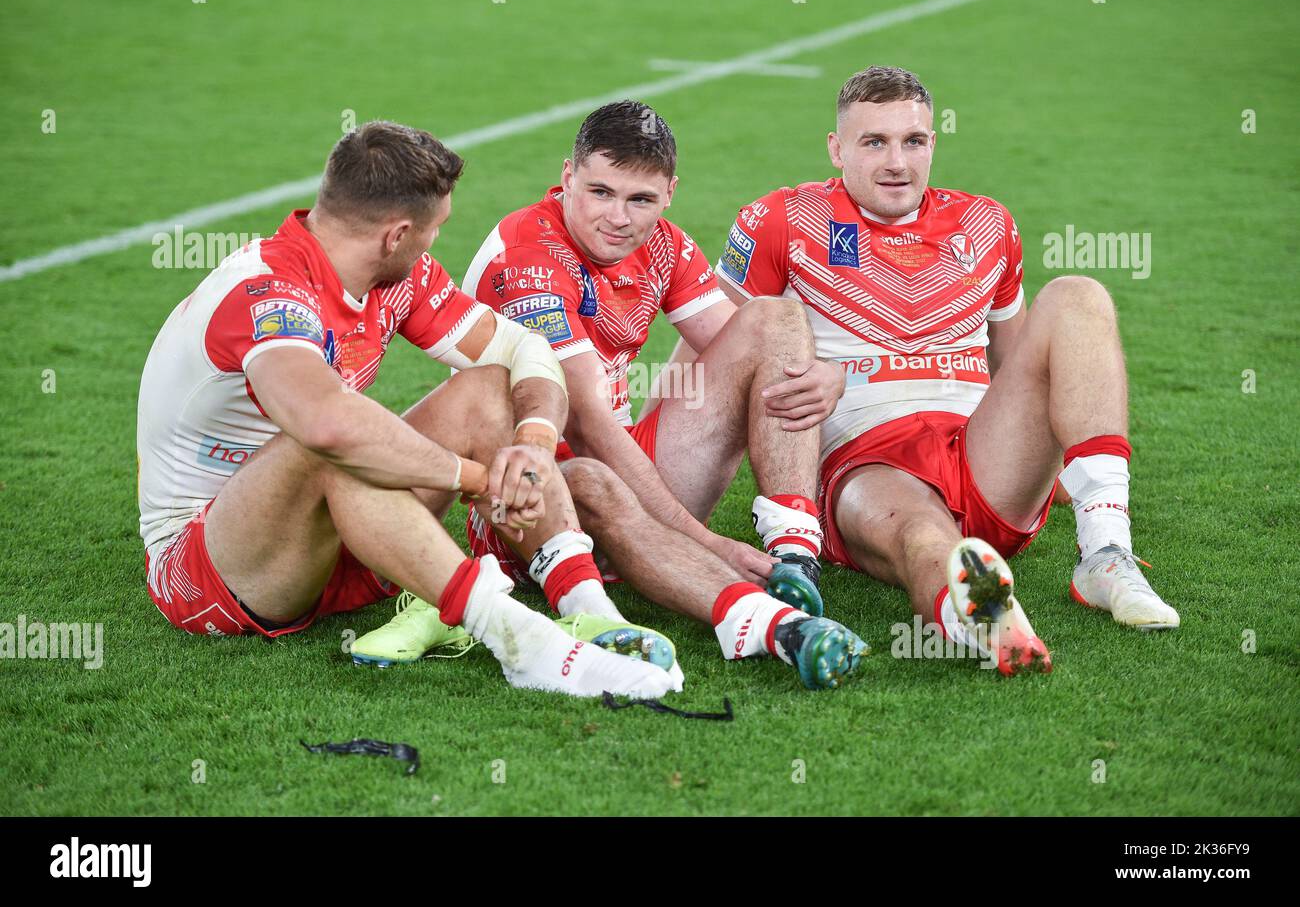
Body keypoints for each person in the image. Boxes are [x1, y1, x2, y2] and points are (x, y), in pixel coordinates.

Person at [136, 120, 678, 698]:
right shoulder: (267, 293)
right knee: (329, 440)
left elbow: (523, 349)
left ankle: (589, 609)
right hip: (210, 568)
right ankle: (524, 642)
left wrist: (536, 446)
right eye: (434, 230)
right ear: (396, 235)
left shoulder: (394, 274)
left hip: (342, 537)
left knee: (486, 385)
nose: (434, 243)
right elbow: (325, 425)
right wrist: (475, 478)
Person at [357, 102, 867, 690]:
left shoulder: (664, 246)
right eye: (600, 192)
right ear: (567, 177)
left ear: (670, 192)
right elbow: (588, 427)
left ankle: (796, 554)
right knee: (595, 477)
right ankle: (771, 624)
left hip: (627, 472)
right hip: (534, 502)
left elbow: (749, 346)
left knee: (775, 319)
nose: (619, 218)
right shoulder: (529, 254)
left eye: (641, 200)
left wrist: (828, 372)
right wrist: (706, 540)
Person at [714, 66, 1179, 676]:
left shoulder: (987, 225)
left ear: (933, 142)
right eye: (873, 142)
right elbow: (714, 354)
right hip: (864, 455)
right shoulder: (783, 220)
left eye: (913, 141)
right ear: (836, 148)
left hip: (984, 451)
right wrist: (655, 483)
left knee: (1078, 294)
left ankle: (1106, 551)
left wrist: (1061, 457)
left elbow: (1019, 363)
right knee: (924, 538)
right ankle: (983, 616)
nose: (896, 161)